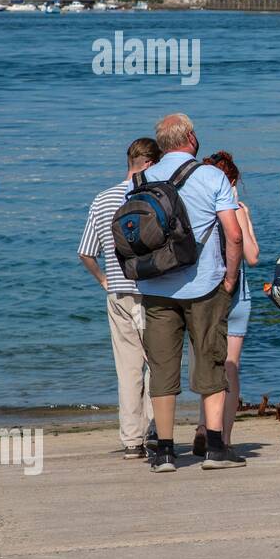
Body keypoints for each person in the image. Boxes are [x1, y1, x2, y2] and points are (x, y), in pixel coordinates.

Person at [137, 114, 244, 472]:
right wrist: (230, 279)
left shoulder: (139, 180)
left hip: (156, 287)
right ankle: (215, 448)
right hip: (204, 286)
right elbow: (234, 234)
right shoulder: (211, 176)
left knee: (162, 367)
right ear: (191, 138)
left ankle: (165, 451)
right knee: (211, 361)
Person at [77, 137, 162, 458]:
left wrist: (104, 280)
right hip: (152, 291)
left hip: (117, 293)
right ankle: (155, 428)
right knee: (158, 363)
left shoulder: (101, 200)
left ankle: (131, 440)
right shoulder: (152, 196)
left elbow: (85, 253)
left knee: (127, 369)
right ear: (149, 165)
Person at [189, 150, 259, 452]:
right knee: (230, 366)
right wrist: (246, 220)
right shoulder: (236, 208)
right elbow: (252, 257)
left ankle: (204, 426)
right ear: (231, 180)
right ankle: (225, 439)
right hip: (234, 293)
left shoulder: (195, 206)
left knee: (205, 362)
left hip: (201, 291)